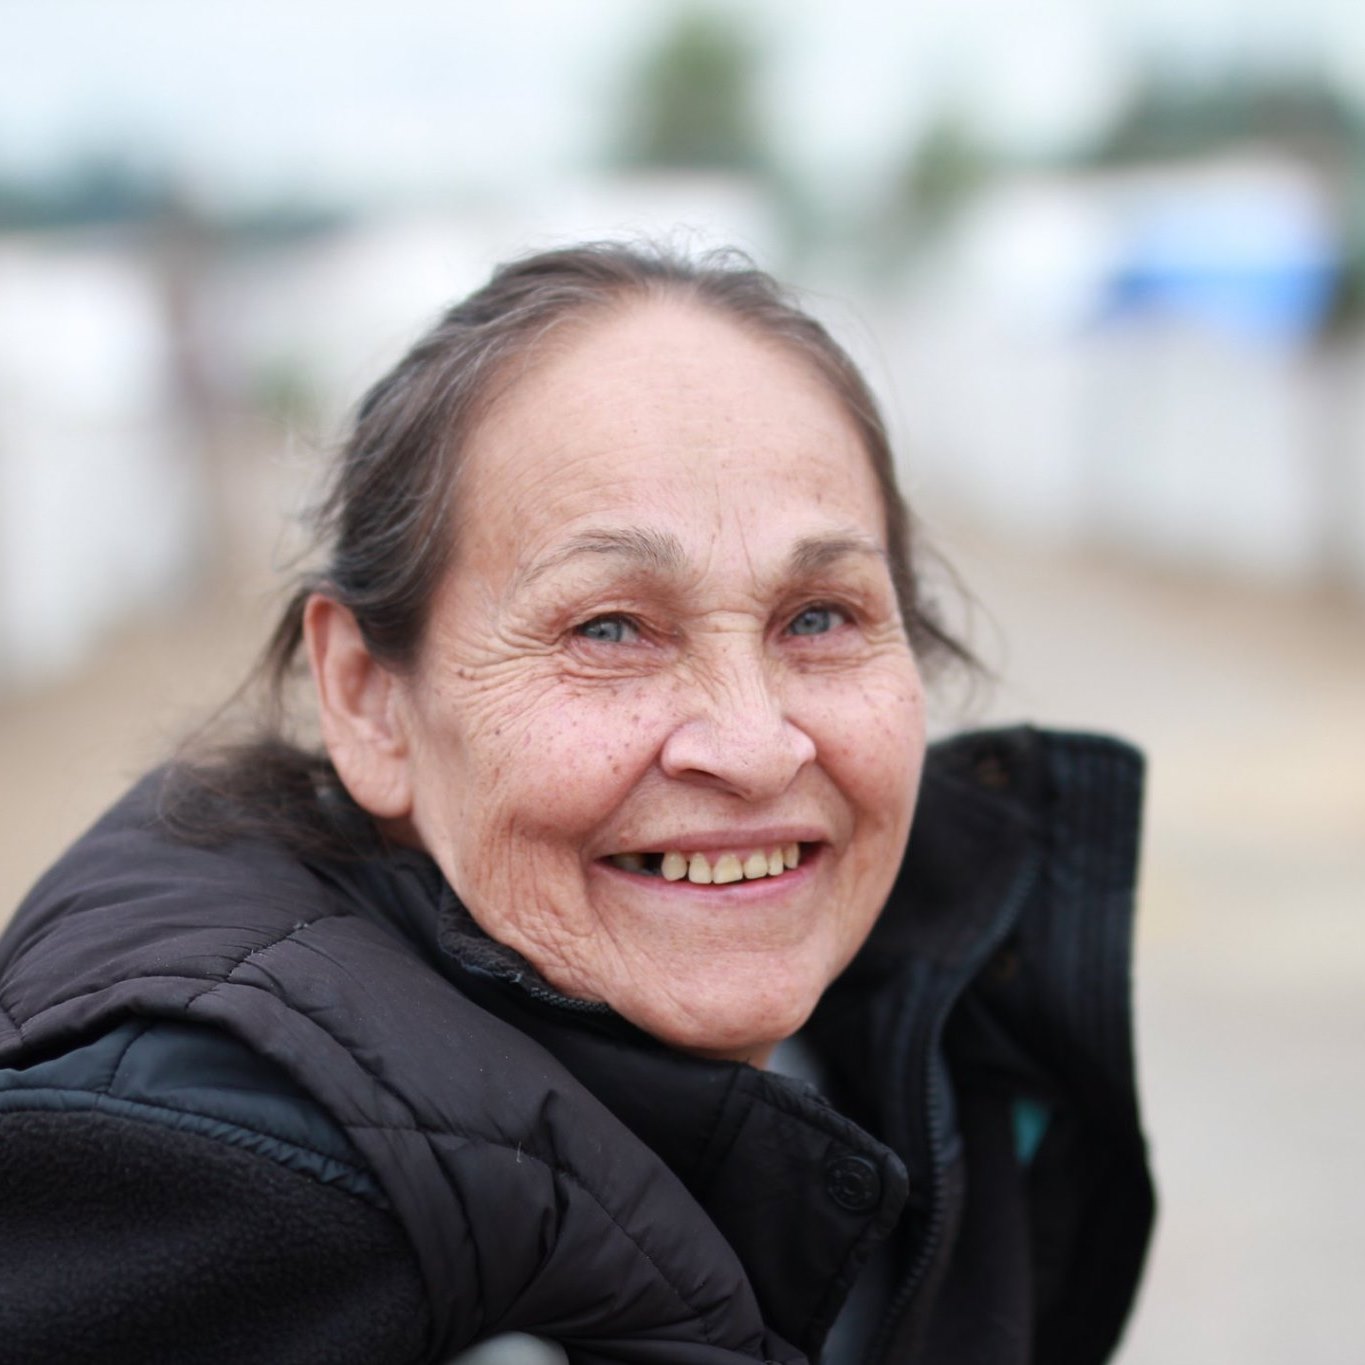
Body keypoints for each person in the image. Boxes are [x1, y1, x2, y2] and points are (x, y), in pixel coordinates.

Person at [0, 243, 1153, 1365]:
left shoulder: (930, 1053)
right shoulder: (215, 1185)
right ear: (369, 698)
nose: (753, 749)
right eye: (609, 628)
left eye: (819, 617)